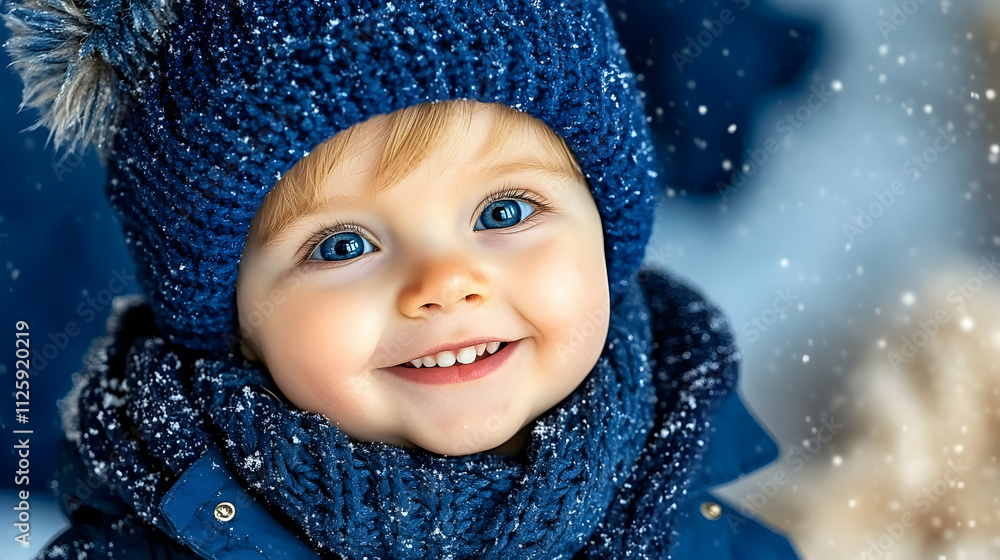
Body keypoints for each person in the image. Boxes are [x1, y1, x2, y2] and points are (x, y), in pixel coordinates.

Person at [6, 0, 798, 557]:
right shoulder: (155, 531)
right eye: (344, 245)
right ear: (235, 320)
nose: (446, 283)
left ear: (605, 229)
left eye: (502, 213)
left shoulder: (685, 517)